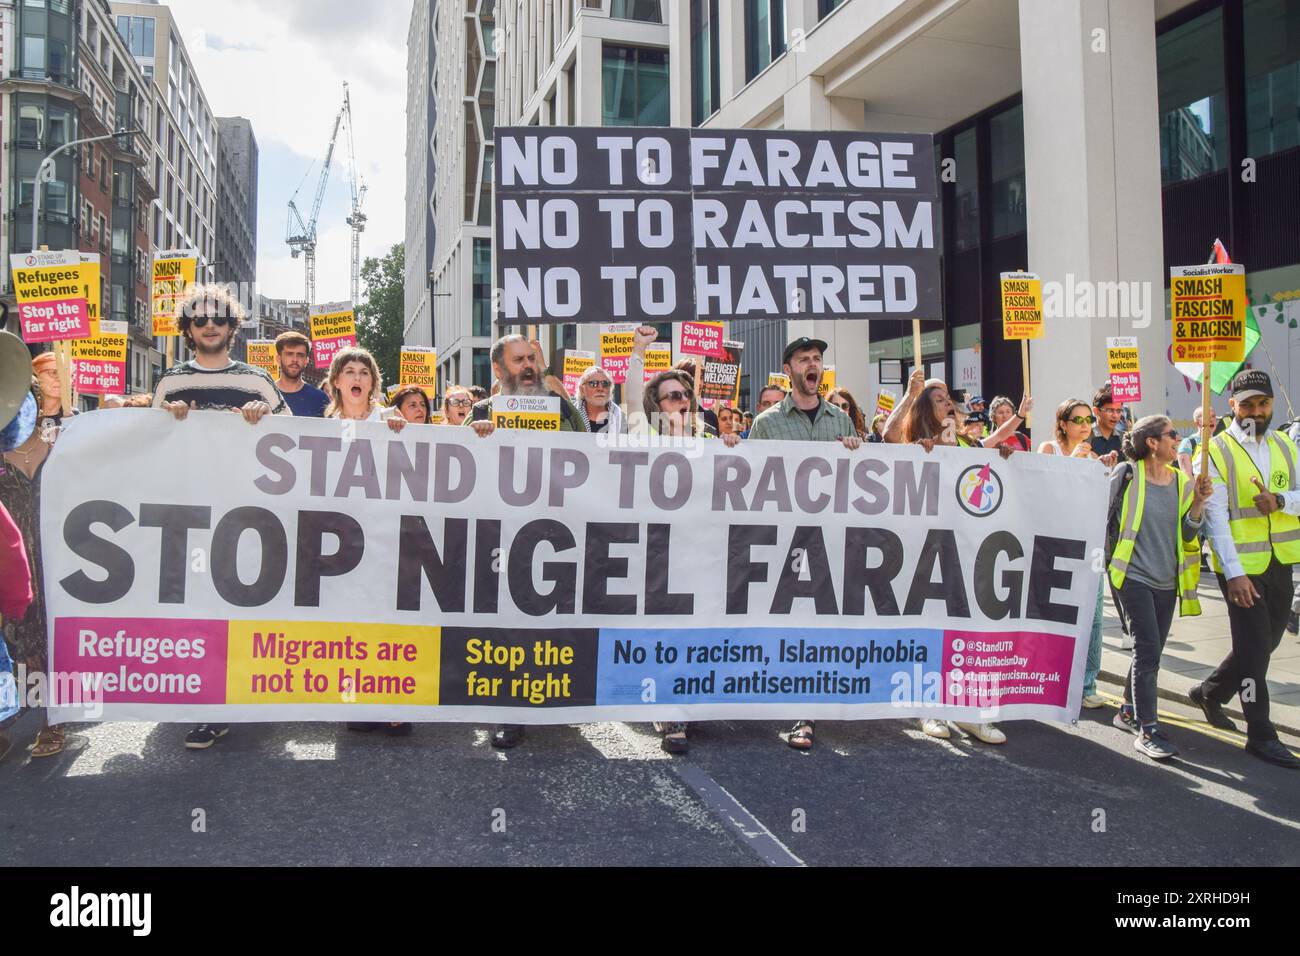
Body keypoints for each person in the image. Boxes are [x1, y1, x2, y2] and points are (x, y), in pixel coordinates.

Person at [153, 284, 288, 750]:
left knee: (245, 603)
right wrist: (166, 421)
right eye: (198, 318)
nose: (209, 324)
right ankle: (210, 704)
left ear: (232, 327)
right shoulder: (170, 383)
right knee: (199, 609)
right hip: (189, 516)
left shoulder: (257, 382)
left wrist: (265, 416)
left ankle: (248, 689)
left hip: (248, 515)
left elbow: (298, 441)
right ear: (188, 329)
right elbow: (146, 448)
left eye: (218, 317)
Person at [892, 371, 1030, 745]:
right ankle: (930, 707)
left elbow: (985, 479)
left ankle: (970, 711)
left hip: (968, 551)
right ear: (924, 408)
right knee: (931, 628)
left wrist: (998, 457)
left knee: (967, 630)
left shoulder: (968, 444)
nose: (947, 402)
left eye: (948, 398)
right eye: (937, 398)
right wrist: (914, 404)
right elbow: (888, 438)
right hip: (927, 552)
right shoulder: (913, 444)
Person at [466, 335, 586, 750]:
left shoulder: (558, 406)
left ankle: (551, 699)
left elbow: (591, 449)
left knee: (550, 623)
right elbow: (453, 467)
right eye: (519, 360)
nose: (530, 365)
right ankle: (508, 711)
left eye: (533, 357)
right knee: (506, 630)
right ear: (498, 370)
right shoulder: (481, 411)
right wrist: (475, 436)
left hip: (554, 535)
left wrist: (566, 399)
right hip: (500, 538)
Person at [748, 337, 863, 752]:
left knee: (817, 620)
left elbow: (859, 479)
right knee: (787, 618)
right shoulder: (766, 424)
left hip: (828, 538)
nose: (813, 365)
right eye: (804, 360)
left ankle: (806, 708)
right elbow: (750, 478)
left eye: (817, 359)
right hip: (784, 538)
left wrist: (855, 451)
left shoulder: (840, 421)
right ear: (789, 369)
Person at [1191, 370, 1300, 768]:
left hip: (1280, 561)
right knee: (1256, 653)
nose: (1257, 411)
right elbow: (1215, 519)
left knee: (1265, 645)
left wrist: (1283, 501)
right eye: (1248, 404)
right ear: (1232, 406)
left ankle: (1211, 692)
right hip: (1240, 567)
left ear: (1272, 404)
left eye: (1263, 403)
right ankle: (1260, 732)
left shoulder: (1287, 444)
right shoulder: (1213, 450)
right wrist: (1233, 574)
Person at [1108, 416, 1211, 759]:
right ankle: (1147, 728)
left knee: (1147, 651)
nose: (1177, 439)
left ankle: (1126, 709)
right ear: (1152, 442)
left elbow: (1187, 534)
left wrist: (1198, 501)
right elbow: (1102, 517)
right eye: (1171, 435)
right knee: (1149, 651)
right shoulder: (1126, 474)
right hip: (1132, 576)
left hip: (1168, 581)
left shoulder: (1182, 482)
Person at [1039, 397, 1118, 710]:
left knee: (1094, 617)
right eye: (1078, 420)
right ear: (1063, 424)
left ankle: (1087, 683)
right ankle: (1048, 676)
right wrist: (1073, 459)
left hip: (1091, 545)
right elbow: (1046, 492)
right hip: (1058, 546)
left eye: (1088, 421)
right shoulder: (1050, 449)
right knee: (1054, 615)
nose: (1085, 426)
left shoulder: (1093, 455)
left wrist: (1106, 470)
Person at [0, 387, 57, 755]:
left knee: (58, 637)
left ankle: (55, 721)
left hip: (58, 554)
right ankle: (7, 718)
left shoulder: (63, 446)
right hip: (13, 559)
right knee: (16, 641)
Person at [273, 330, 329, 417]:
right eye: (289, 354)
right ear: (278, 359)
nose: (295, 359)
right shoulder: (263, 395)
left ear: (306, 361)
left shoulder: (320, 399)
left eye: (300, 355)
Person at [574, 365, 624, 434]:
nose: (600, 388)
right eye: (593, 384)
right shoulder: (571, 416)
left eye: (605, 384)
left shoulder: (621, 417)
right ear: (582, 389)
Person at [1177, 405, 1217, 478]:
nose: (1211, 420)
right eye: (1207, 417)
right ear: (1197, 423)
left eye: (1213, 416)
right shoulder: (1188, 443)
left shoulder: (1220, 442)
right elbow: (1187, 475)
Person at [1089, 384, 1124, 459]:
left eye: (1119, 411)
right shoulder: (1086, 437)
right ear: (1096, 411)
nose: (1115, 415)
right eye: (1110, 410)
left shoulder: (1124, 439)